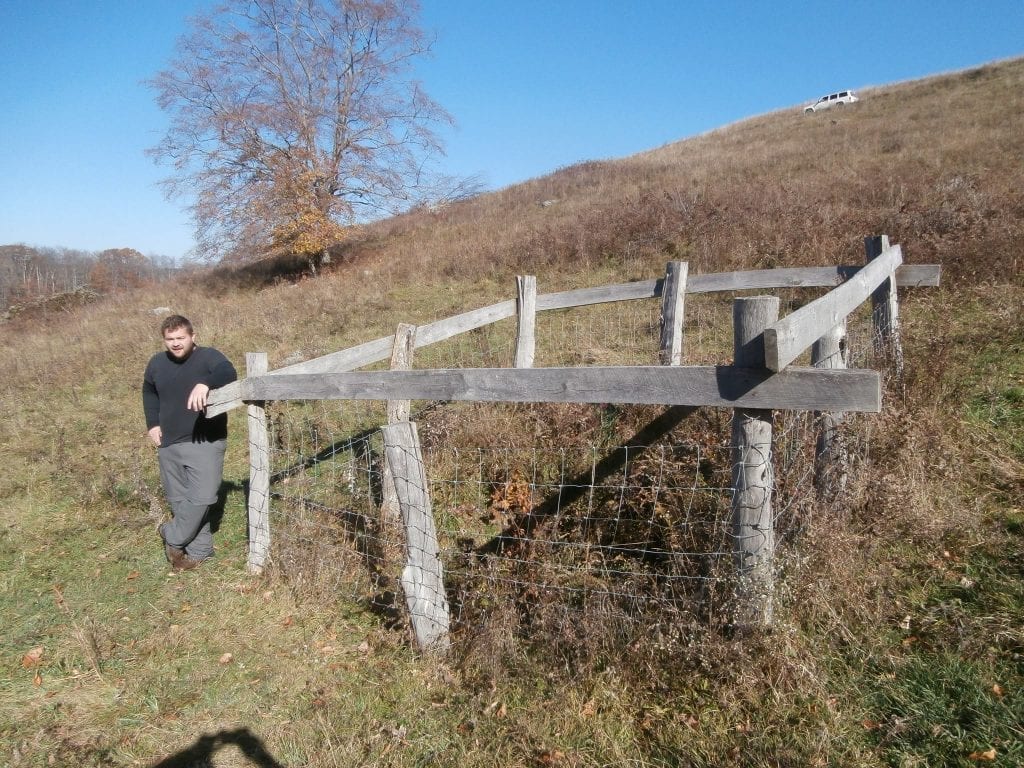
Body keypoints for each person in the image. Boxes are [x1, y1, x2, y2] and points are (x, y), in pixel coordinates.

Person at [143, 315, 237, 570]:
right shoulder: (156, 363)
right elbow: (149, 391)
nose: (175, 343)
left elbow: (228, 372)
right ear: (164, 340)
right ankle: (200, 551)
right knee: (180, 499)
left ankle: (171, 535)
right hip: (169, 442)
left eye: (180, 338)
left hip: (205, 440)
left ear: (192, 337)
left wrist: (205, 384)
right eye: (170, 339)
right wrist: (152, 424)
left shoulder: (208, 357)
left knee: (204, 497)